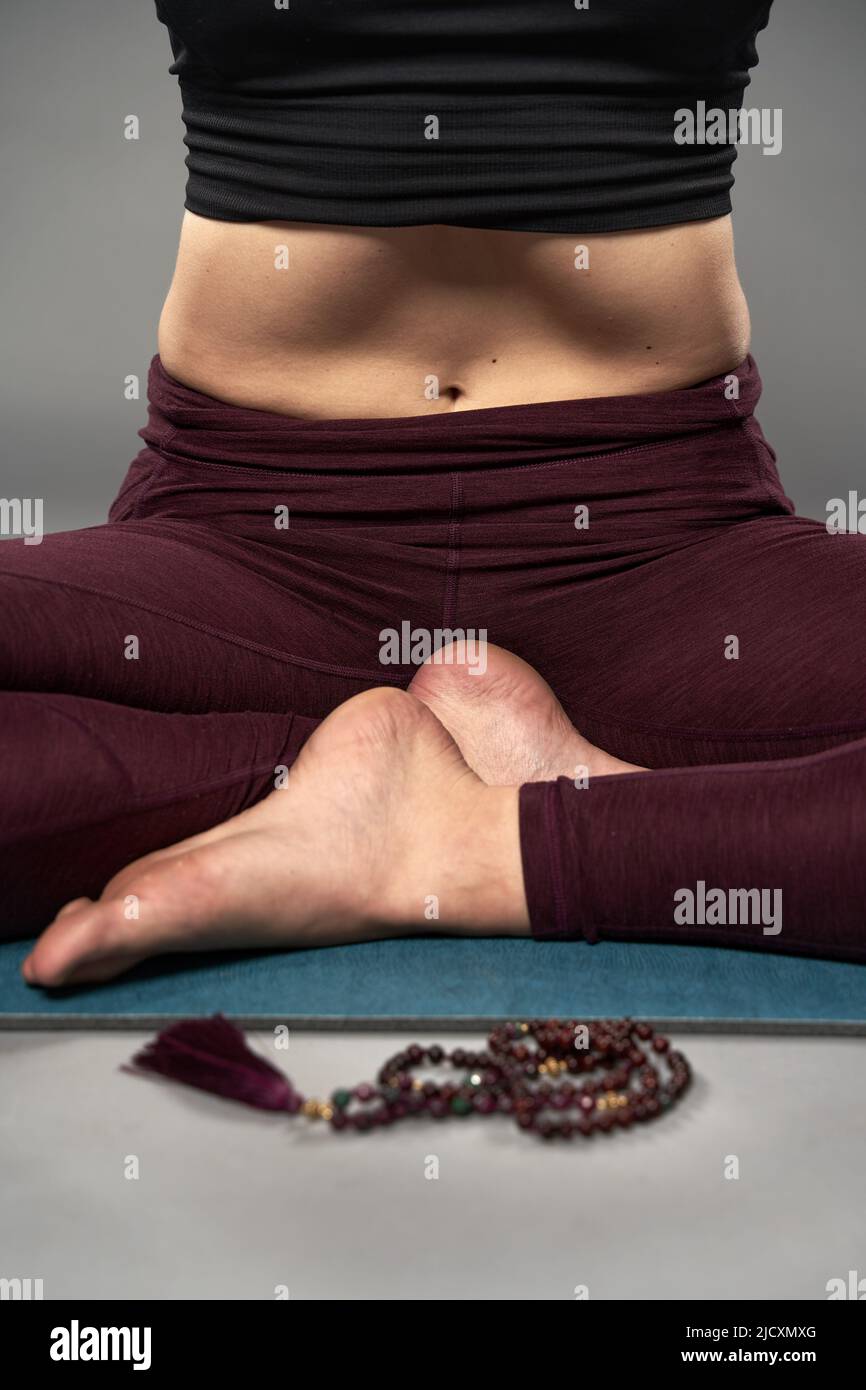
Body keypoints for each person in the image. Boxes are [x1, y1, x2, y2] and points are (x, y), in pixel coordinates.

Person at [5, 1, 865, 987]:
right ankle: (367, 779)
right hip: (242, 544)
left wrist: (478, 846)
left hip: (664, 553)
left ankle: (449, 838)